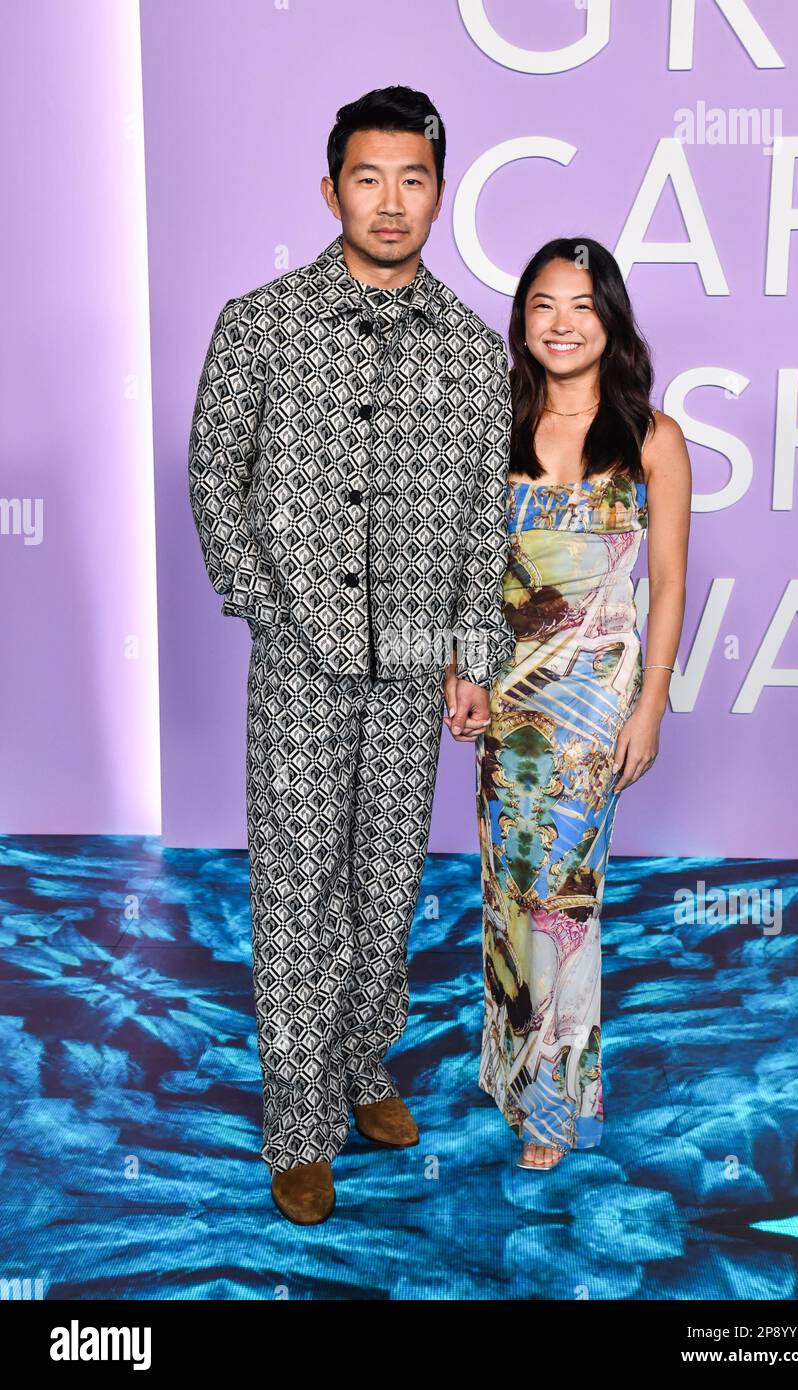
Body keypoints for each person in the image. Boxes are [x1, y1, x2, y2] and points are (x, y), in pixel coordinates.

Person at [187, 86, 514, 1223]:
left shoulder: (476, 358)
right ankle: (297, 1120)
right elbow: (212, 475)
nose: (390, 200)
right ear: (331, 190)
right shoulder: (260, 324)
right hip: (298, 656)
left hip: (418, 659)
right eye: (367, 178)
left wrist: (471, 655)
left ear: (438, 190)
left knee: (385, 885)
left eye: (412, 178)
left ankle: (362, 1062)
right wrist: (265, 605)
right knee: (294, 890)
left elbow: (483, 519)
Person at [447, 237, 691, 1169]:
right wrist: (456, 672)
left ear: (611, 320)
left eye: (581, 305)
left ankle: (555, 1104)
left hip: (594, 711)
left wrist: (651, 706)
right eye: (543, 305)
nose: (561, 322)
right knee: (509, 891)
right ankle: (507, 1073)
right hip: (506, 710)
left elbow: (667, 582)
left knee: (565, 899)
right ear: (523, 323)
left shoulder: (653, 437)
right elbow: (468, 575)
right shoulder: (491, 427)